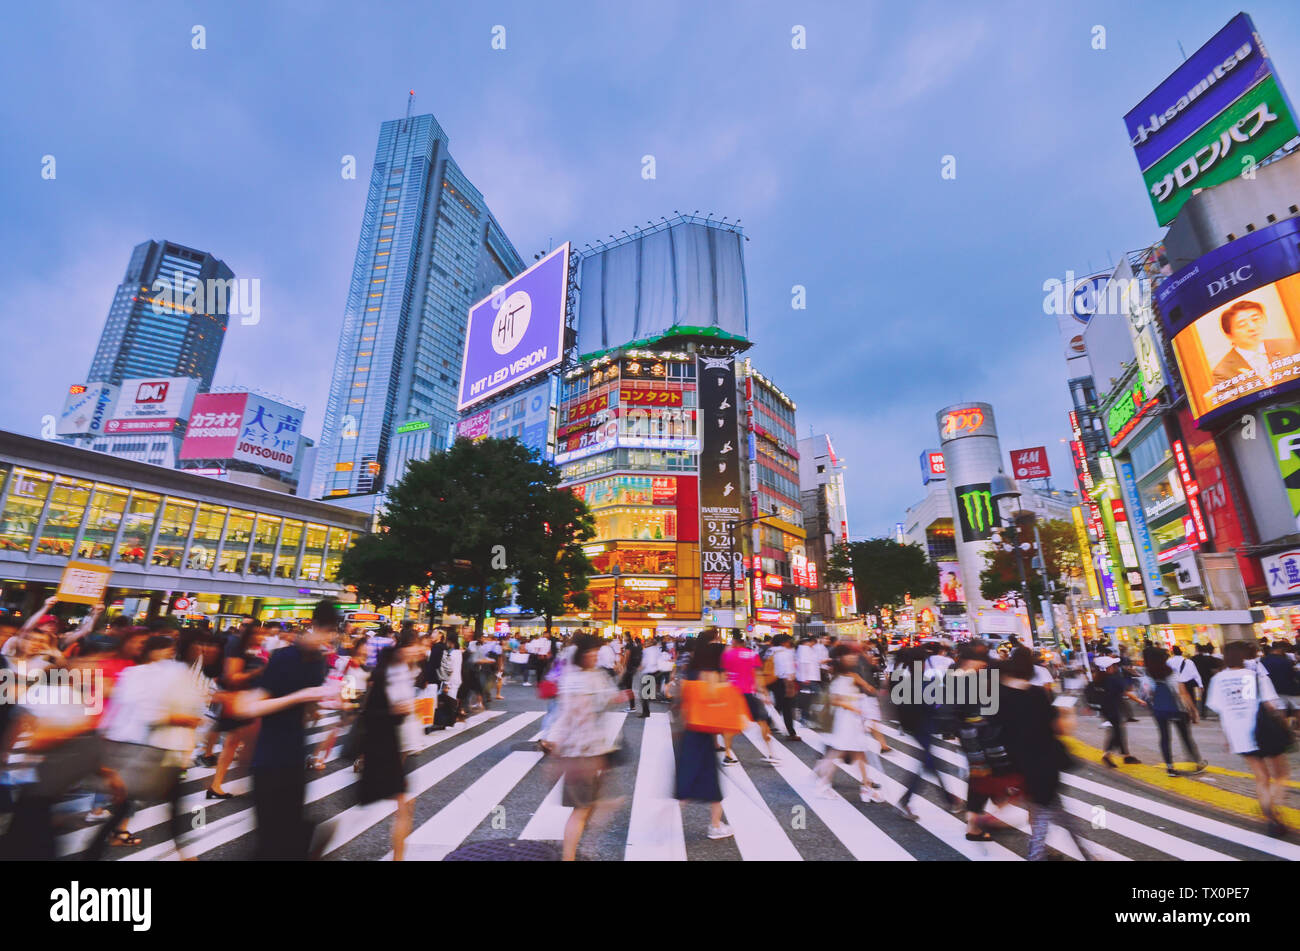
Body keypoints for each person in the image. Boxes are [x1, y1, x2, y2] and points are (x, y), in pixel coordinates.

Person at [224, 599, 340, 861]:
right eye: (325, 631)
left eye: (329, 633)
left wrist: (323, 705)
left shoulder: (315, 662)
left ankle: (305, 842)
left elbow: (307, 712)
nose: (326, 638)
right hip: (274, 754)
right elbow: (251, 707)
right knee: (274, 832)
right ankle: (306, 841)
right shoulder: (285, 658)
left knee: (276, 831)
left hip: (286, 753)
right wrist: (302, 697)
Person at [90, 634, 207, 860]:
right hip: (152, 748)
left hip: (154, 749)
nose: (168, 654)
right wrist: (184, 719)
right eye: (164, 649)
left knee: (156, 801)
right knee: (166, 801)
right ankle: (183, 851)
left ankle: (97, 848)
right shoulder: (147, 673)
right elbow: (149, 714)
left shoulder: (145, 673)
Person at [998, 647, 1093, 861]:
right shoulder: (1036, 694)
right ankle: (1040, 855)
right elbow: (1058, 728)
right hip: (1044, 761)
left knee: (1055, 813)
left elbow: (998, 732)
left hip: (1020, 762)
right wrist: (1065, 713)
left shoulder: (1001, 698)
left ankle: (1088, 855)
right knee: (1047, 814)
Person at [548, 633, 632, 860]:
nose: (595, 656)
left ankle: (577, 848)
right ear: (581, 655)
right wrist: (556, 743)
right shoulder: (574, 679)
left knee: (593, 805)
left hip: (597, 750)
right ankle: (569, 856)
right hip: (582, 752)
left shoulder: (596, 675)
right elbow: (567, 716)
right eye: (591, 653)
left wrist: (618, 696)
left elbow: (605, 698)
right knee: (583, 808)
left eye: (597, 652)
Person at [1206, 641, 1293, 837]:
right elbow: (1272, 705)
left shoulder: (1218, 679)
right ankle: (1272, 806)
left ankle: (1269, 816)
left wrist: (1227, 736)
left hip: (1239, 735)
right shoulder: (1254, 676)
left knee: (1261, 777)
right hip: (1263, 731)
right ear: (1244, 657)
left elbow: (1220, 709)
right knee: (1281, 773)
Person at [357, 629, 423, 860]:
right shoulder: (391, 672)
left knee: (405, 805)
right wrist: (396, 711)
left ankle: (399, 857)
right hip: (390, 746)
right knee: (405, 805)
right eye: (413, 645)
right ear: (401, 647)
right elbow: (374, 711)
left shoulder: (405, 670)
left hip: (402, 743)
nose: (419, 649)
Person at [674, 629, 734, 841]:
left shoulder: (691, 669)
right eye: (717, 641)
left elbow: (678, 696)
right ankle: (715, 825)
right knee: (709, 780)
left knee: (689, 778)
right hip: (705, 730)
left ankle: (671, 816)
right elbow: (719, 699)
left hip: (691, 730)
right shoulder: (712, 673)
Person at [813, 647, 884, 802]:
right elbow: (835, 700)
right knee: (839, 752)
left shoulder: (851, 675)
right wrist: (855, 707)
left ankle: (866, 787)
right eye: (849, 656)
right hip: (845, 720)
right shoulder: (839, 679)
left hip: (852, 719)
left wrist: (866, 691)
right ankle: (822, 785)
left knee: (858, 753)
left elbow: (866, 686)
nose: (853, 658)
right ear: (841, 660)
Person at [207, 622, 265, 797]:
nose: (262, 637)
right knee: (240, 744)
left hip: (244, 700)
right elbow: (233, 677)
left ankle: (217, 785)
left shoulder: (251, 649)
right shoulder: (237, 648)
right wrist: (259, 672)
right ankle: (218, 783)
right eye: (259, 633)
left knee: (237, 744)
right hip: (236, 700)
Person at [1141, 647, 1207, 777]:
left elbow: (1145, 694)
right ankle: (1198, 762)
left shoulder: (1147, 674)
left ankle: (1170, 767)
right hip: (1176, 710)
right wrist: (1193, 710)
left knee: (1164, 737)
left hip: (1159, 711)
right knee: (1185, 736)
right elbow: (1182, 694)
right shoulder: (1171, 673)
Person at [1209, 299, 1300, 392]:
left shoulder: (1288, 346)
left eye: (1255, 319)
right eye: (1242, 324)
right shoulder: (1222, 372)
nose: (1252, 327)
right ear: (1229, 335)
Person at [721, 631, 778, 763]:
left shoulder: (727, 655)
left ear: (734, 642)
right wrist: (764, 692)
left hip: (732, 692)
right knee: (762, 721)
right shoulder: (752, 655)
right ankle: (771, 753)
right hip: (749, 693)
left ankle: (727, 754)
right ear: (744, 643)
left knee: (730, 724)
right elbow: (757, 675)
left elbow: (724, 675)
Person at [1095, 657, 1144, 768]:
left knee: (1118, 731)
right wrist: (1139, 700)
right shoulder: (1113, 679)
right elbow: (1125, 692)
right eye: (1113, 665)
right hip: (1114, 709)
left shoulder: (1099, 679)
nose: (1115, 667)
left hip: (1105, 709)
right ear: (1108, 668)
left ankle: (1126, 756)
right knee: (1117, 732)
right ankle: (1107, 755)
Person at [769, 633, 799, 740]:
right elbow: (789, 669)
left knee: (780, 705)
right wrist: (791, 682)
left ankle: (767, 724)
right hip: (784, 681)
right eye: (788, 641)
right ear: (783, 642)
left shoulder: (771, 651)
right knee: (786, 707)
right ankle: (791, 733)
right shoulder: (786, 653)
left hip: (773, 681)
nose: (790, 643)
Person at [1169, 645, 1205, 716]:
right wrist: (1200, 685)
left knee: (1181, 700)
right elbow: (1195, 674)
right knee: (1191, 699)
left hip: (1178, 683)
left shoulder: (1169, 661)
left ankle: (1186, 714)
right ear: (1181, 653)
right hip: (1189, 682)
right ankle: (1193, 714)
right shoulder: (1189, 661)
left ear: (1173, 653)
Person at [1192, 643, 1224, 718]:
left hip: (1195, 680)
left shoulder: (1193, 659)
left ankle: (1197, 711)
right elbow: (1215, 668)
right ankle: (1203, 712)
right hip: (1206, 679)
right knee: (1205, 695)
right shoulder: (1210, 659)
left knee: (1197, 697)